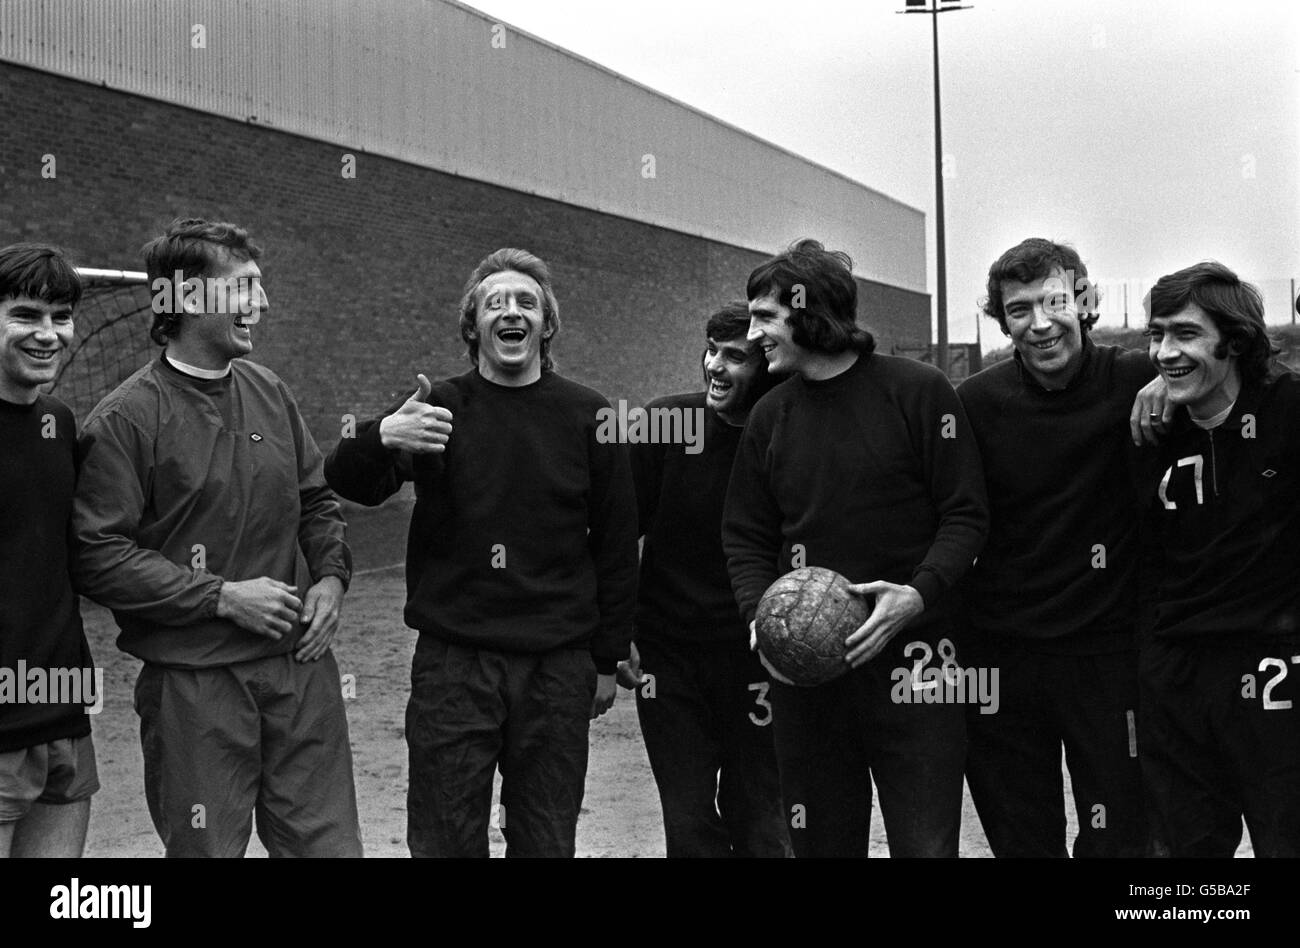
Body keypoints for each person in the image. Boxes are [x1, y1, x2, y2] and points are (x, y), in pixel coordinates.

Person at [325, 247, 638, 858]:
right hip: (455, 663)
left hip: (557, 665)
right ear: (473, 326)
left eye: (527, 302)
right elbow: (348, 480)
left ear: (547, 325)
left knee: (545, 840)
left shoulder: (590, 414)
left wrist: (604, 660)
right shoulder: (434, 408)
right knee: (444, 838)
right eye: (495, 303)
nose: (511, 311)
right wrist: (383, 436)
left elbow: (617, 544)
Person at [73, 219, 360, 858]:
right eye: (246, 287)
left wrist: (333, 579)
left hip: (300, 669)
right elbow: (98, 556)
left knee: (330, 850)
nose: (262, 303)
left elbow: (317, 501)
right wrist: (220, 597)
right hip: (194, 685)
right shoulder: (125, 419)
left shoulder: (271, 391)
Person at [722, 238, 988, 857]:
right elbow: (745, 535)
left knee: (925, 849)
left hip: (918, 672)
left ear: (808, 311)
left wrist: (916, 597)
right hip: (806, 681)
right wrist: (760, 617)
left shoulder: (919, 391)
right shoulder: (769, 415)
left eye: (765, 316)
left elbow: (966, 516)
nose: (754, 332)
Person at [958, 238, 1167, 857]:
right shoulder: (974, 403)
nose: (1040, 322)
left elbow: (1245, 387)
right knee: (1022, 839)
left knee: (1120, 835)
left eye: (1054, 301)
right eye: (1018, 309)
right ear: (1003, 320)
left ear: (1082, 299)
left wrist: (1169, 387)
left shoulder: (1135, 378)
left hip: (1107, 655)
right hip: (1001, 655)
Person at [1139, 261, 1300, 857]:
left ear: (1233, 340)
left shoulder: (1287, 409)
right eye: (1156, 335)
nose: (1163, 352)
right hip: (1178, 677)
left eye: (1184, 334)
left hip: (1274, 671)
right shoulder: (1147, 428)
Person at [619, 301, 790, 857]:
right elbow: (617, 535)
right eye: (711, 350)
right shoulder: (666, 424)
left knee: (763, 821)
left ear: (766, 363)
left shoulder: (790, 430)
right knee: (689, 823)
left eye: (735, 356)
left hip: (761, 659)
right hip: (670, 660)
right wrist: (614, 630)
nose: (715, 365)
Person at [0, 243, 98, 858]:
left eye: (60, 316)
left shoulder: (60, 424)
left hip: (61, 715)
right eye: (26, 315)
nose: (48, 333)